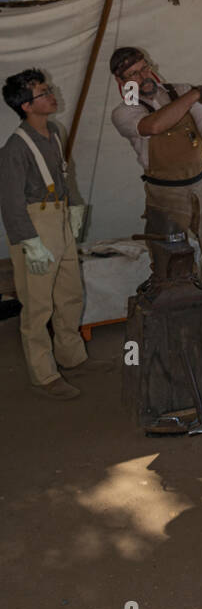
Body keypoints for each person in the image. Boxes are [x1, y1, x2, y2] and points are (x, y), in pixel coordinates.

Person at [108, 47, 202, 367]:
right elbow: (153, 126)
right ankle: (193, 353)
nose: (143, 76)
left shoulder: (179, 91)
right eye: (133, 74)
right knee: (174, 275)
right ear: (121, 83)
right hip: (165, 198)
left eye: (145, 68)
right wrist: (194, 95)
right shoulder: (124, 112)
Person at [0, 69, 111, 398]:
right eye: (43, 93)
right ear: (26, 106)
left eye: (48, 89)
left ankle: (72, 356)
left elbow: (64, 177)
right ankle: (44, 375)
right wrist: (29, 242)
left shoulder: (55, 133)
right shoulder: (15, 148)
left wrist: (73, 208)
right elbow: (10, 202)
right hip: (35, 226)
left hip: (59, 219)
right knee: (37, 306)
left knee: (69, 294)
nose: (52, 95)